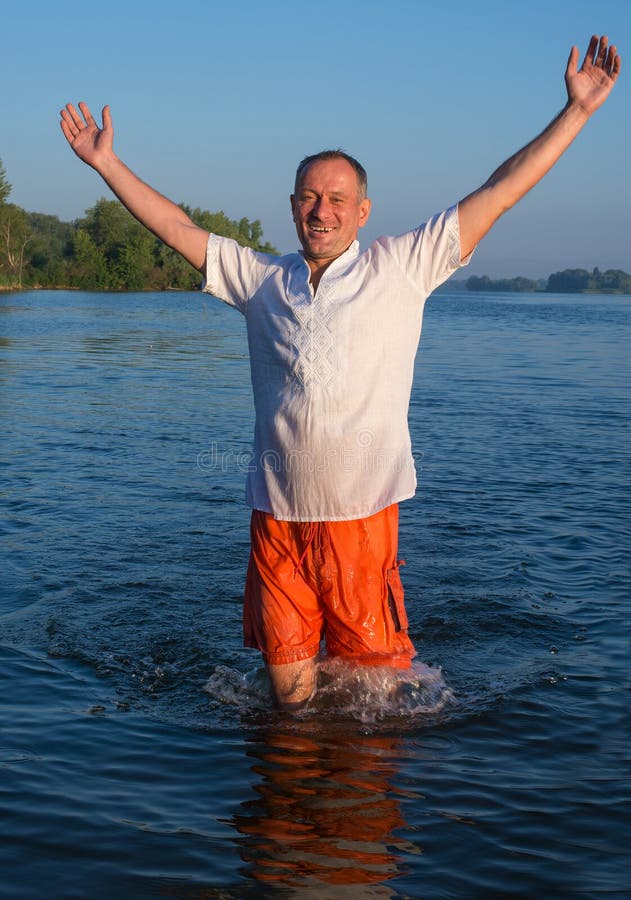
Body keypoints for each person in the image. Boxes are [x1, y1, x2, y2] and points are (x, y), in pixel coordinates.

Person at [60, 35, 620, 710]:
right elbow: (175, 227)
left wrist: (576, 112)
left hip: (359, 521)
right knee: (290, 708)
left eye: (335, 198)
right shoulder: (260, 279)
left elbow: (498, 192)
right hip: (277, 522)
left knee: (376, 708)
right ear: (292, 206)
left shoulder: (400, 267)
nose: (320, 210)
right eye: (308, 197)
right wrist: (107, 164)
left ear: (361, 211)